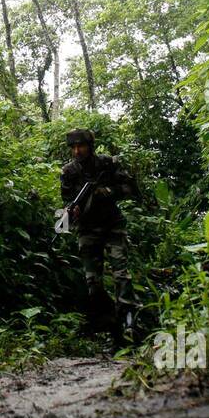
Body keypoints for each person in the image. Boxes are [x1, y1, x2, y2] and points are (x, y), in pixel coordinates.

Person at [60, 128, 140, 336]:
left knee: (121, 273)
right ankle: (106, 322)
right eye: (74, 147)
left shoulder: (107, 164)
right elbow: (67, 199)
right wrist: (73, 210)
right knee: (92, 281)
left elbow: (130, 187)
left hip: (113, 226)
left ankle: (128, 320)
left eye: (81, 146)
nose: (77, 151)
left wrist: (108, 192)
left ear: (90, 146)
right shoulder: (68, 171)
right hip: (87, 229)